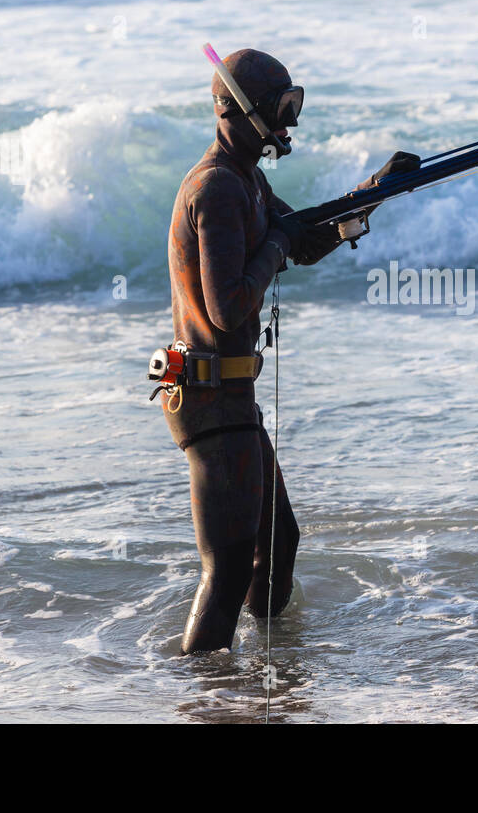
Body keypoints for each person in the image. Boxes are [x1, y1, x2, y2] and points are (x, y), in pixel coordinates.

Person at [164, 47, 418, 653]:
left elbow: (300, 241)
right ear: (233, 110)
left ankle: (257, 677)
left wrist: (376, 191)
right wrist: (277, 240)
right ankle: (202, 694)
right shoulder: (218, 189)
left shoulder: (246, 180)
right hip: (209, 395)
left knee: (278, 546)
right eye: (280, 110)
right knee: (226, 574)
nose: (290, 124)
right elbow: (228, 308)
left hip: (229, 393)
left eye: (293, 106)